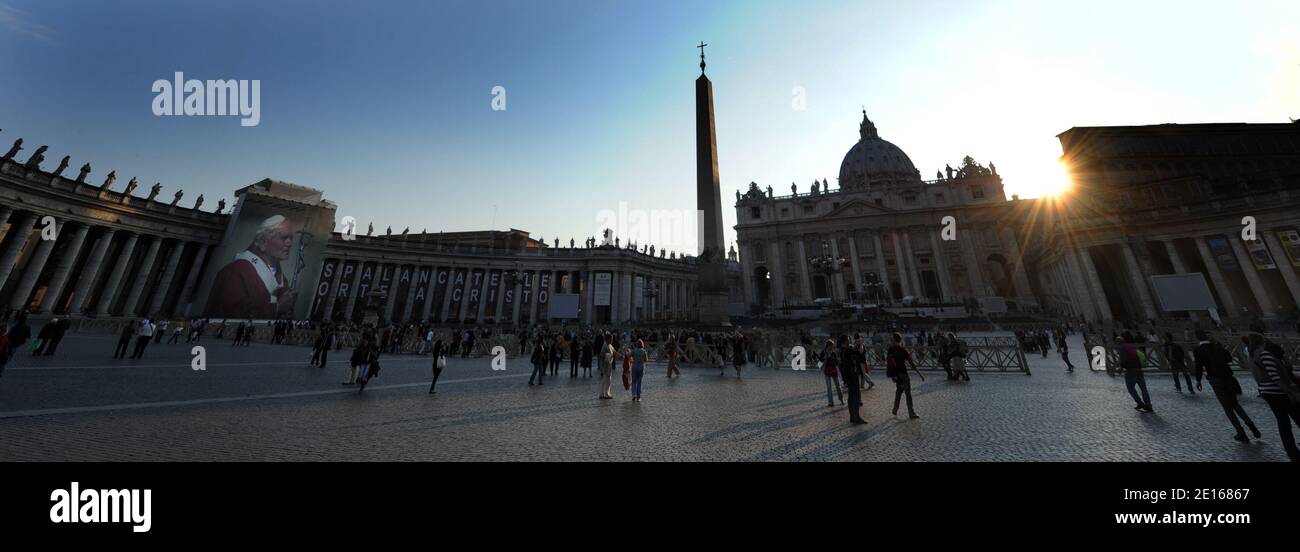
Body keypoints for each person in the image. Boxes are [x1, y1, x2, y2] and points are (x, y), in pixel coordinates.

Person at [204, 215, 299, 318]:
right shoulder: (236, 272)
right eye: (284, 238)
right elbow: (227, 315)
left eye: (291, 238)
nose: (290, 243)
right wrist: (277, 308)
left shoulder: (281, 279)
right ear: (263, 242)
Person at [1193, 330, 1260, 443]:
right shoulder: (1216, 345)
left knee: (1227, 407)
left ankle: (1241, 432)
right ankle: (1252, 426)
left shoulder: (1198, 349)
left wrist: (1198, 380)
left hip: (1215, 379)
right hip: (1228, 376)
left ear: (1197, 338)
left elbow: (1198, 365)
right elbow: (1229, 358)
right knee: (1235, 403)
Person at [1246, 332, 1300, 461]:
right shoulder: (1265, 355)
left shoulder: (1252, 357)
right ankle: (1293, 452)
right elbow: (1275, 376)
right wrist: (1288, 390)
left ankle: (1292, 452)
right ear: (1262, 342)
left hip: (1267, 393)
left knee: (1283, 423)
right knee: (1297, 416)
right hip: (1279, 392)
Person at [886, 332, 924, 419]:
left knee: (899, 391)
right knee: (908, 394)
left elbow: (889, 363)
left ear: (893, 339)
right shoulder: (903, 349)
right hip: (903, 373)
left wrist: (892, 375)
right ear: (900, 340)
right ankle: (911, 412)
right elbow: (911, 362)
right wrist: (920, 374)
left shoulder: (890, 349)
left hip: (896, 374)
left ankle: (895, 409)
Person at [1118, 332, 1153, 412]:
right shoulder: (1131, 347)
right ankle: (1148, 405)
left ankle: (1140, 403)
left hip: (1130, 371)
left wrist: (1121, 368)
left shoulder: (1122, 347)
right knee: (1143, 389)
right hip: (1139, 369)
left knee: (1130, 388)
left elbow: (1123, 360)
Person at [839, 335, 866, 424]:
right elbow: (860, 353)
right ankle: (856, 417)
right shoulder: (849, 350)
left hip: (846, 375)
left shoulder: (841, 350)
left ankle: (852, 416)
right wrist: (861, 344)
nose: (850, 341)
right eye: (848, 339)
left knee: (851, 396)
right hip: (852, 374)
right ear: (846, 341)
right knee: (856, 395)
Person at [821, 339, 844, 407]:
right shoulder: (823, 352)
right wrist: (822, 367)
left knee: (838, 386)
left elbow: (837, 362)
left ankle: (841, 399)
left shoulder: (834, 353)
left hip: (833, 370)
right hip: (827, 371)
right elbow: (819, 361)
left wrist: (837, 361)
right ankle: (830, 402)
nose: (832, 347)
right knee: (829, 387)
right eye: (832, 346)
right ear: (828, 346)